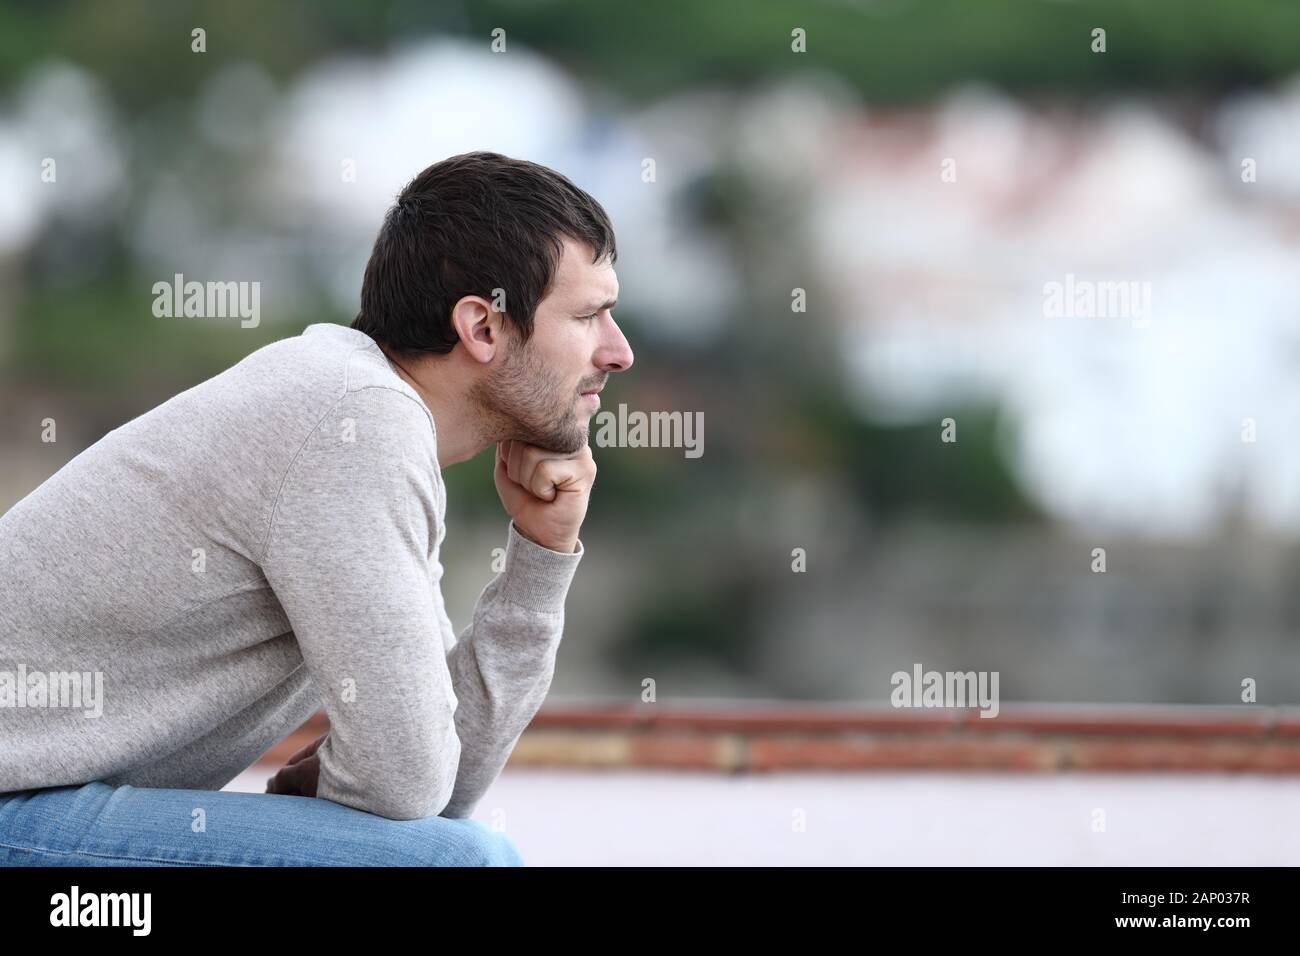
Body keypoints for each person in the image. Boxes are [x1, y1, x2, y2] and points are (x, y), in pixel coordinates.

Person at [0, 151, 634, 866]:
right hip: (18, 806)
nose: (619, 352)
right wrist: (344, 787)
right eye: (589, 317)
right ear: (483, 328)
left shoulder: (366, 417)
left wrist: (540, 559)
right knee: (458, 863)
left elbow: (434, 786)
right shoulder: (354, 422)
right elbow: (411, 785)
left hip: (42, 805)